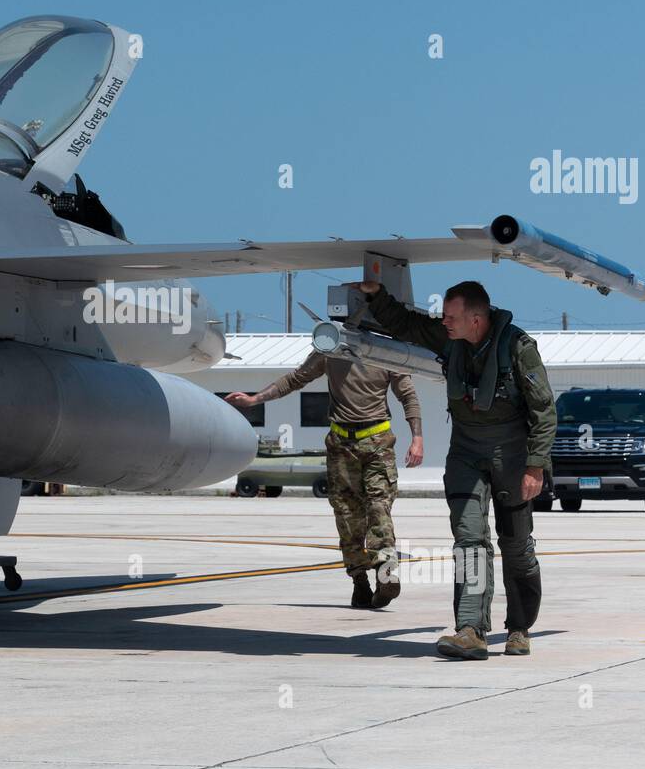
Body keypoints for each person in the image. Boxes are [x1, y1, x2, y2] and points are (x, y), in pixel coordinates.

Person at [358, 279, 555, 659]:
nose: (444, 321)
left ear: (476, 320)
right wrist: (375, 295)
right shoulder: (450, 339)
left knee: (516, 546)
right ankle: (471, 630)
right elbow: (407, 325)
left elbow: (545, 411)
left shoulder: (518, 348)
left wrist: (535, 466)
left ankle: (518, 627)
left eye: (451, 316)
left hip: (511, 456)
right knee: (469, 541)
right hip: (466, 452)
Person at [226, 353, 423, 608]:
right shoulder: (331, 349)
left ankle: (386, 574)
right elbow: (296, 378)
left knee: (379, 507)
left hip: (378, 443)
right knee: (347, 517)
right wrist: (255, 399)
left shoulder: (382, 350)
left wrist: (417, 437)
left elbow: (407, 394)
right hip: (341, 445)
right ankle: (359, 580)